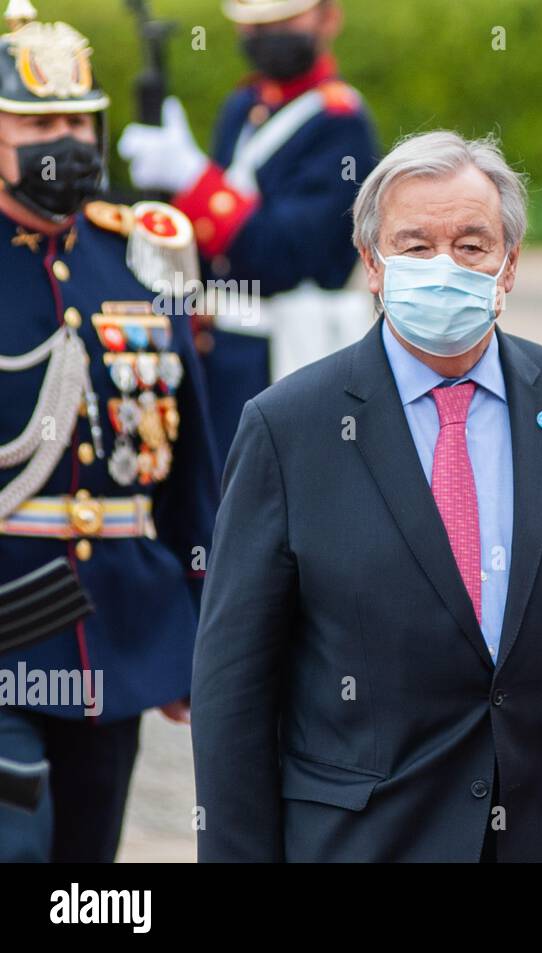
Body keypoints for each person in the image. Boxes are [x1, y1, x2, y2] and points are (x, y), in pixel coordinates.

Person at [190, 130, 542, 862]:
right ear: (372, 263)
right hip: (359, 841)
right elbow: (234, 683)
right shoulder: (289, 427)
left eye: (471, 245)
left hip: (535, 836)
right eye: (415, 246)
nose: (444, 267)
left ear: (510, 264)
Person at [0, 1, 218, 861]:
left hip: (116, 625)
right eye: (38, 124)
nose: (67, 141)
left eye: (79, 122)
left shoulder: (142, 251)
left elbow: (189, 461)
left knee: (85, 866)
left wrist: (203, 626)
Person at [118, 0, 380, 463]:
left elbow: (286, 255)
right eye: (258, 25)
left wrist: (194, 180)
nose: (270, 34)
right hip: (218, 347)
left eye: (285, 20)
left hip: (284, 351)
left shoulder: (341, 123)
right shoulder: (244, 106)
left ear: (328, 17)